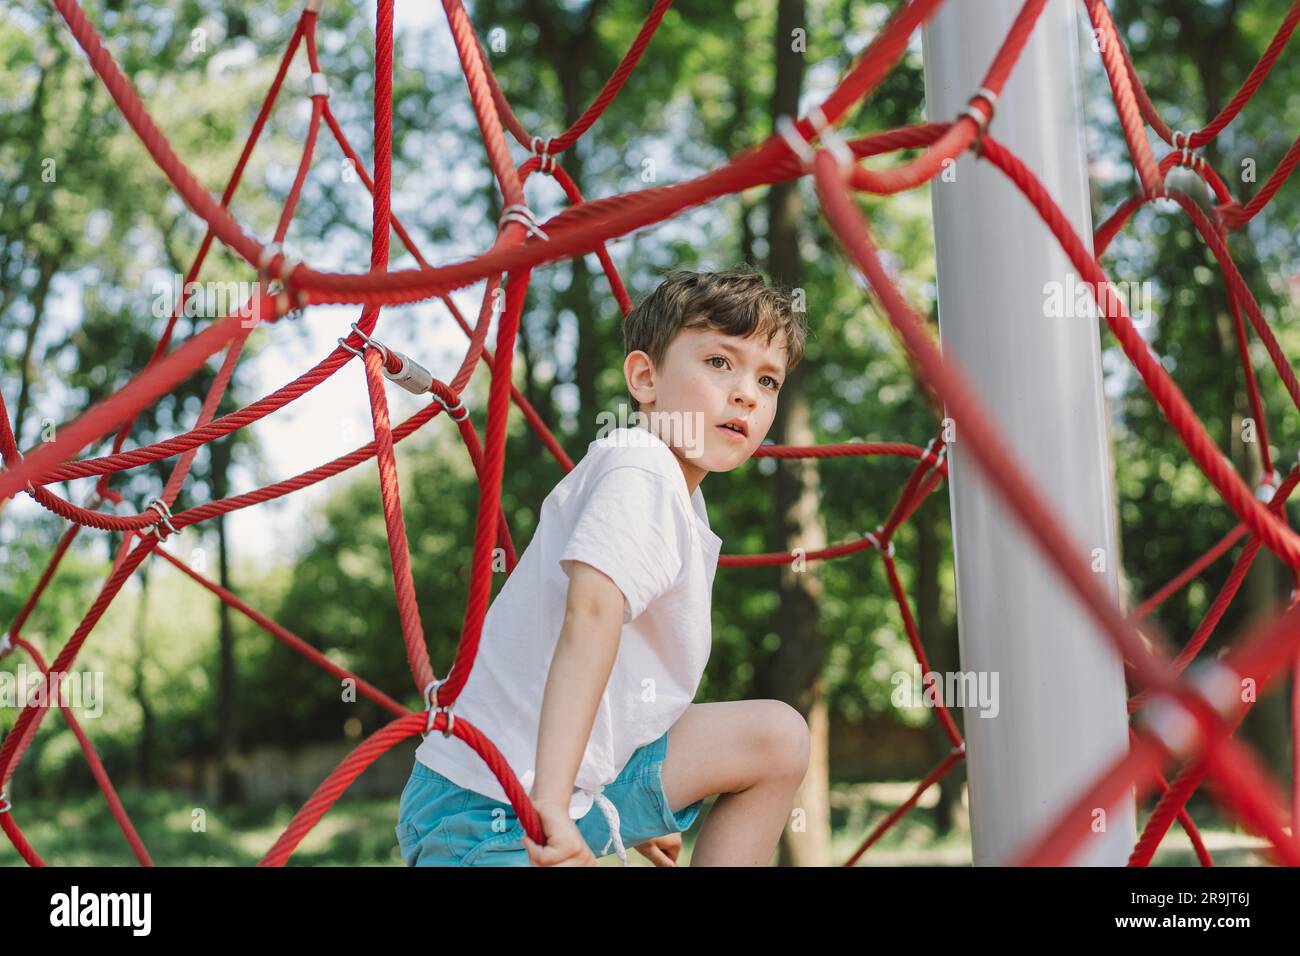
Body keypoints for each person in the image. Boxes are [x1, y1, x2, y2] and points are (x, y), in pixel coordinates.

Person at [396, 268, 811, 866]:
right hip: (488, 809)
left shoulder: (680, 495)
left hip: (573, 788)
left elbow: (624, 688)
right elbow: (589, 618)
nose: (746, 392)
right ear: (644, 377)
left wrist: (629, 810)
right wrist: (553, 803)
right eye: (720, 362)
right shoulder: (640, 467)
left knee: (777, 738)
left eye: (767, 379)